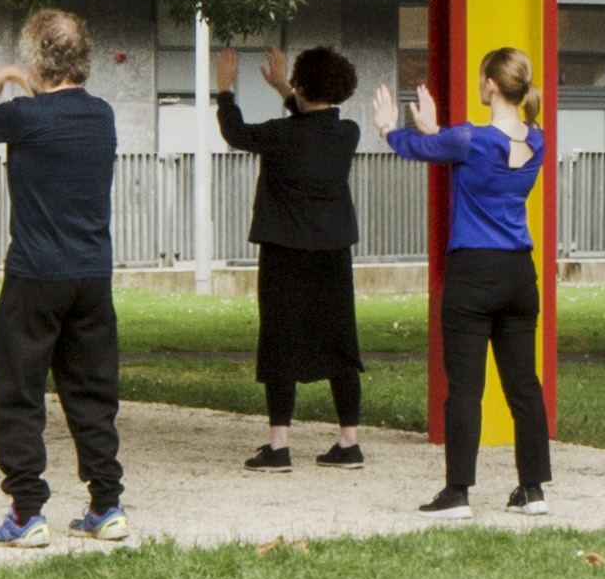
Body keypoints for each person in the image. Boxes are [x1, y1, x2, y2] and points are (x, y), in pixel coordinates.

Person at [0, 7, 125, 546]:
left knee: (20, 394)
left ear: (39, 62)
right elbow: (52, 105)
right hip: (92, 278)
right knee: (91, 394)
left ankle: (26, 514)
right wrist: (17, 75)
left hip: (34, 278)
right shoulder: (101, 115)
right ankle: (106, 506)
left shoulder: (22, 117)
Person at [375, 45, 550, 514]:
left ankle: (458, 492)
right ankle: (532, 490)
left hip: (473, 272)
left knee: (466, 389)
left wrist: (390, 127)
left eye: (480, 77)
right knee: (524, 386)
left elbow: (416, 148)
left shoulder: (470, 139)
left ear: (490, 84)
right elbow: (450, 145)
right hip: (519, 274)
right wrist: (436, 130)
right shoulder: (538, 140)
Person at [211, 41, 365, 467]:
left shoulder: (280, 136)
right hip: (333, 252)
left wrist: (225, 90)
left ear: (301, 86)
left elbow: (235, 132)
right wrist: (284, 86)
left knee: (279, 342)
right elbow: (310, 123)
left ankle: (279, 447)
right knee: (340, 342)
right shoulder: (347, 133)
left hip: (285, 252)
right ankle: (349, 442)